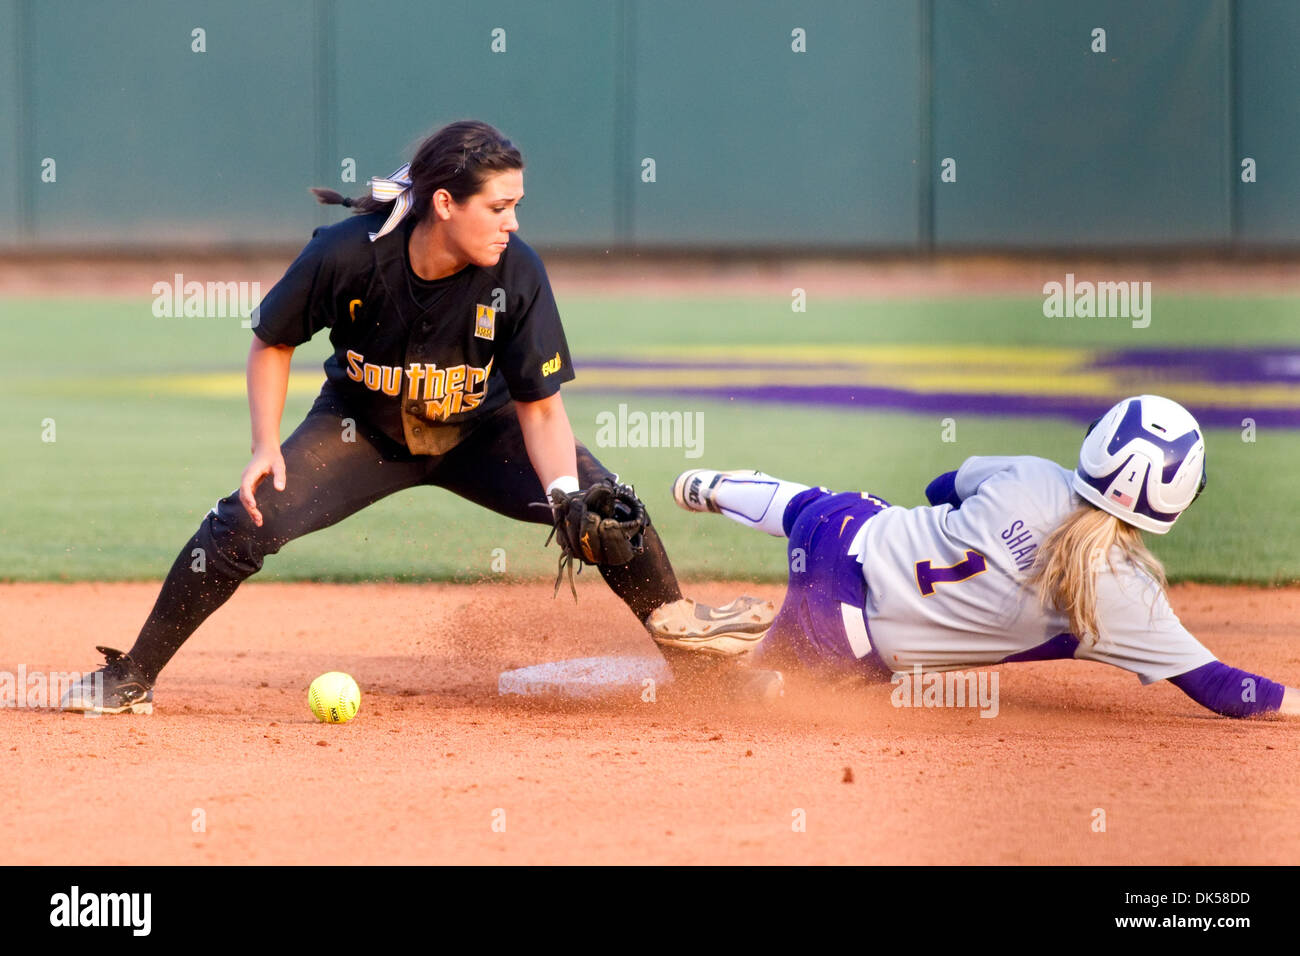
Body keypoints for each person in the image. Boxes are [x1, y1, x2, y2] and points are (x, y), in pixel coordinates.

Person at [61, 119, 772, 715]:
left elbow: (541, 406)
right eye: (498, 207)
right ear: (443, 203)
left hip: (480, 433)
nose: (513, 222)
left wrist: (563, 496)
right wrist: (262, 446)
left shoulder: (515, 272)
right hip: (363, 432)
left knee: (612, 513)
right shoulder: (347, 255)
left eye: (516, 205)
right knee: (244, 517)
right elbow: (272, 339)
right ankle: (132, 677)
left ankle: (708, 685)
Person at [660, 394, 1299, 719]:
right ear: (1177, 501)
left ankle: (712, 487)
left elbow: (939, 487)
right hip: (844, 639)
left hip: (840, 539)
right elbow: (1226, 691)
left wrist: (987, 534)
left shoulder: (1034, 473)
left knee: (834, 507)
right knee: (760, 687)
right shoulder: (1127, 599)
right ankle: (755, 660)